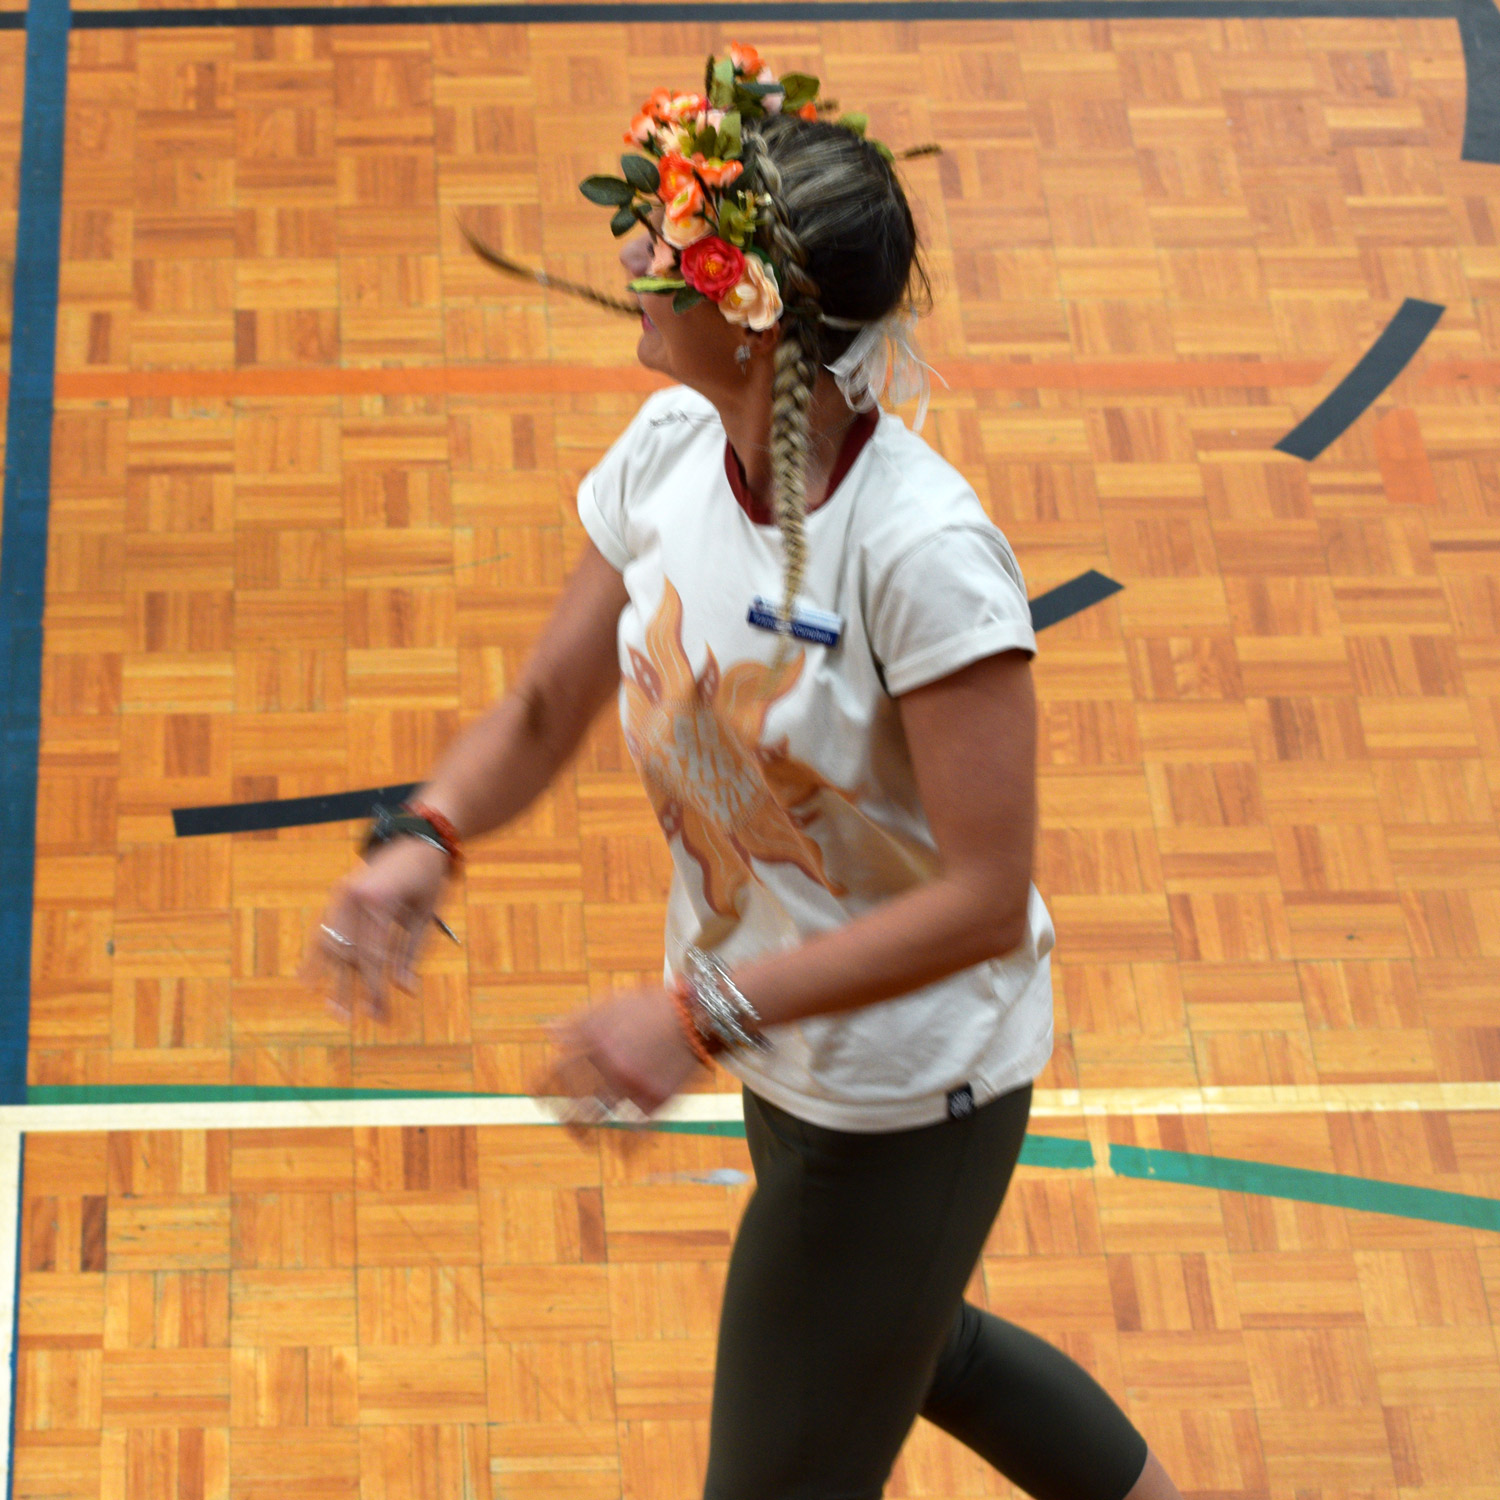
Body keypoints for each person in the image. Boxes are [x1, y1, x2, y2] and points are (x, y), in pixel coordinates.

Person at [308, 47, 1183, 1500]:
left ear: (754, 318)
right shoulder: (668, 447)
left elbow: (983, 897)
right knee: (911, 1344)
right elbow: (541, 703)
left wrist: (692, 1017)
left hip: (906, 1088)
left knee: (822, 1408)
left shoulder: (920, 553)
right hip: (783, 1037)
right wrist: (429, 830)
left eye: (670, 241)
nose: (637, 255)